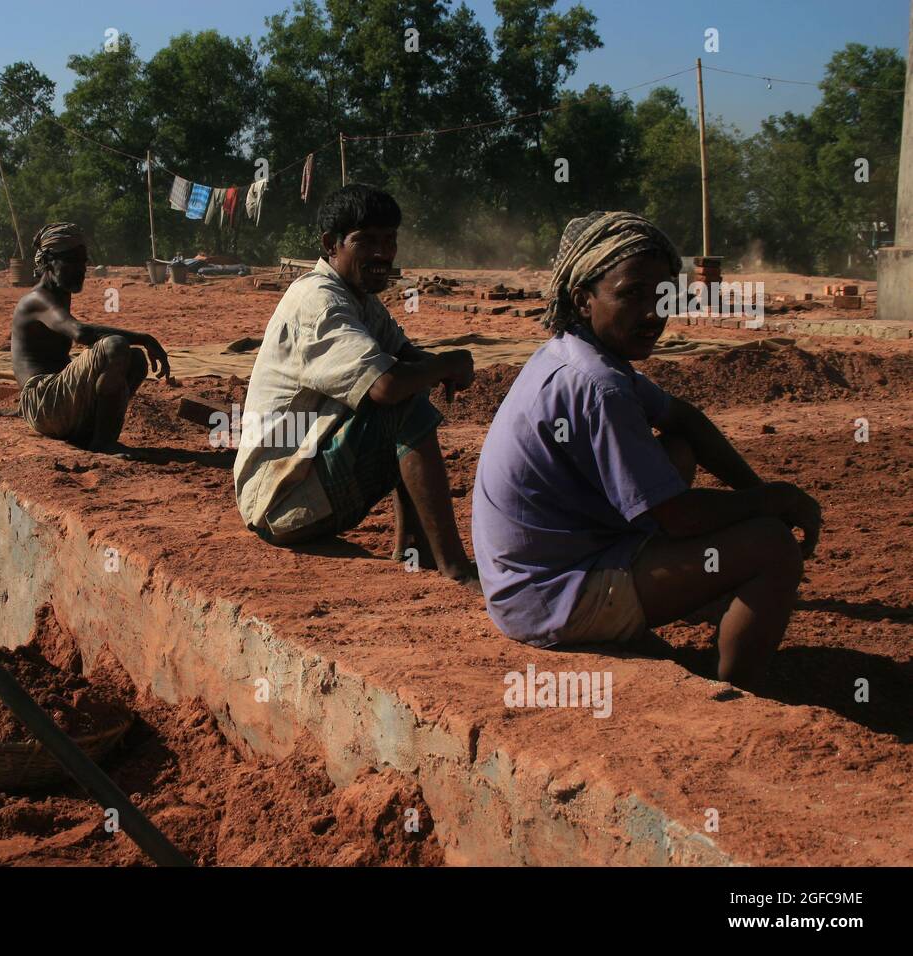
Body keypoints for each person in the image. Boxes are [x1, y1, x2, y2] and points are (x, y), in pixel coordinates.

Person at [471, 211, 822, 688]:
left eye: (662, 294)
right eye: (632, 294)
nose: (654, 312)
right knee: (772, 548)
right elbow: (679, 517)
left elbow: (685, 420)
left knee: (676, 449)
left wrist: (755, 491)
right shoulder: (599, 386)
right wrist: (774, 502)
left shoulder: (576, 352)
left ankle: (696, 598)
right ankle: (739, 690)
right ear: (583, 298)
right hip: (548, 599)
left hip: (541, 571)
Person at [234, 184, 479, 586]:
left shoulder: (360, 298)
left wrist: (443, 365)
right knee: (401, 405)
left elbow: (405, 356)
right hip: (280, 499)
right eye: (367, 241)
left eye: (390, 240)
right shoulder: (321, 302)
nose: (382, 253)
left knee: (405, 391)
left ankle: (414, 549)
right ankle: (454, 568)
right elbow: (386, 386)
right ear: (332, 244)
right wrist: (446, 364)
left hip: (302, 478)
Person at [12, 223, 171, 456]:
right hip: (42, 402)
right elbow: (81, 333)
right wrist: (144, 338)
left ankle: (96, 436)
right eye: (72, 261)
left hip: (56, 403)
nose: (81, 269)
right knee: (115, 346)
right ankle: (103, 443)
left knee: (135, 359)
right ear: (48, 262)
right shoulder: (38, 299)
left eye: (83, 261)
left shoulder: (58, 293)